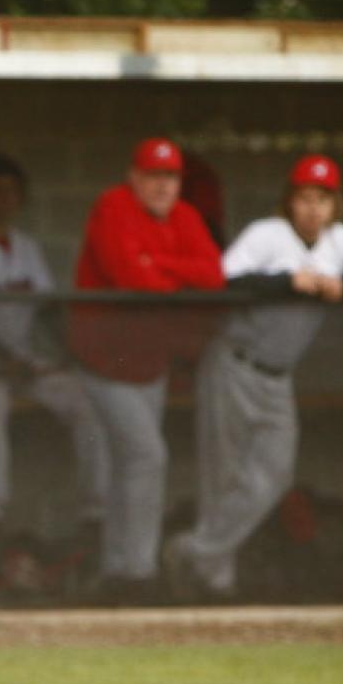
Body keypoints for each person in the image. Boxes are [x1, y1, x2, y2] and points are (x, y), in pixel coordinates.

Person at [165, 155, 343, 598]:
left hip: (278, 376)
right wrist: (288, 282)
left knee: (276, 474)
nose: (312, 209)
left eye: (322, 199)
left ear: (334, 205)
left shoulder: (339, 241)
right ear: (290, 201)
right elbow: (224, 279)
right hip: (234, 363)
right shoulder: (267, 234)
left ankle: (192, 550)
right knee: (222, 478)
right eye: (304, 198)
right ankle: (217, 582)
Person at [68, 138, 225, 600]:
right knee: (147, 457)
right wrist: (172, 274)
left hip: (149, 362)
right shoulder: (113, 206)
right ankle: (138, 571)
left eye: (170, 177)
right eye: (153, 175)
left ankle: (118, 569)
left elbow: (214, 274)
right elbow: (130, 278)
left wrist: (158, 263)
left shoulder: (185, 216)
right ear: (134, 177)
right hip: (101, 360)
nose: (162, 186)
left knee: (129, 464)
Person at [0, 155, 108, 558]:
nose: (5, 199)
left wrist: (69, 354)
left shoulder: (26, 247)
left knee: (86, 399)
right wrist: (2, 357)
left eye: (12, 191)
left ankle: (96, 513)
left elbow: (46, 310)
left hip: (26, 360)